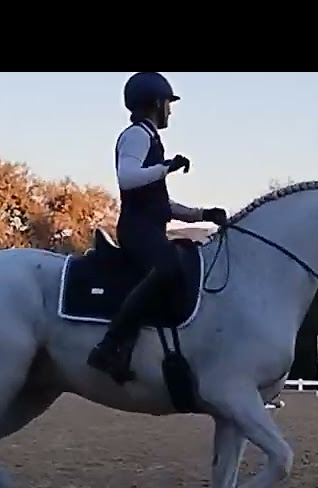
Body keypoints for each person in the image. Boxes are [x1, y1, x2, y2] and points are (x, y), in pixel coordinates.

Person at [87, 72, 228, 384]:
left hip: (150, 227)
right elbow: (127, 177)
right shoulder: (136, 135)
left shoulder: (150, 138)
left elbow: (160, 204)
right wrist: (167, 167)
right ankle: (109, 346)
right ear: (155, 103)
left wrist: (203, 213)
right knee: (167, 268)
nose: (170, 111)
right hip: (137, 231)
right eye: (168, 103)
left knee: (185, 257)